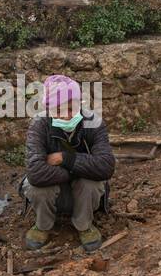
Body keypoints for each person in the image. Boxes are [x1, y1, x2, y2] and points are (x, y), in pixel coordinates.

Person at [21, 74, 114, 253]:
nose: (66, 115)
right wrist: (78, 169)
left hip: (78, 185)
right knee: (36, 187)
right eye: (59, 109)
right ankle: (42, 225)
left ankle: (84, 225)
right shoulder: (39, 125)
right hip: (54, 184)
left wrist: (65, 159)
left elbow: (106, 166)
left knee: (91, 183)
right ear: (49, 109)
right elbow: (35, 172)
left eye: (72, 108)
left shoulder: (93, 122)